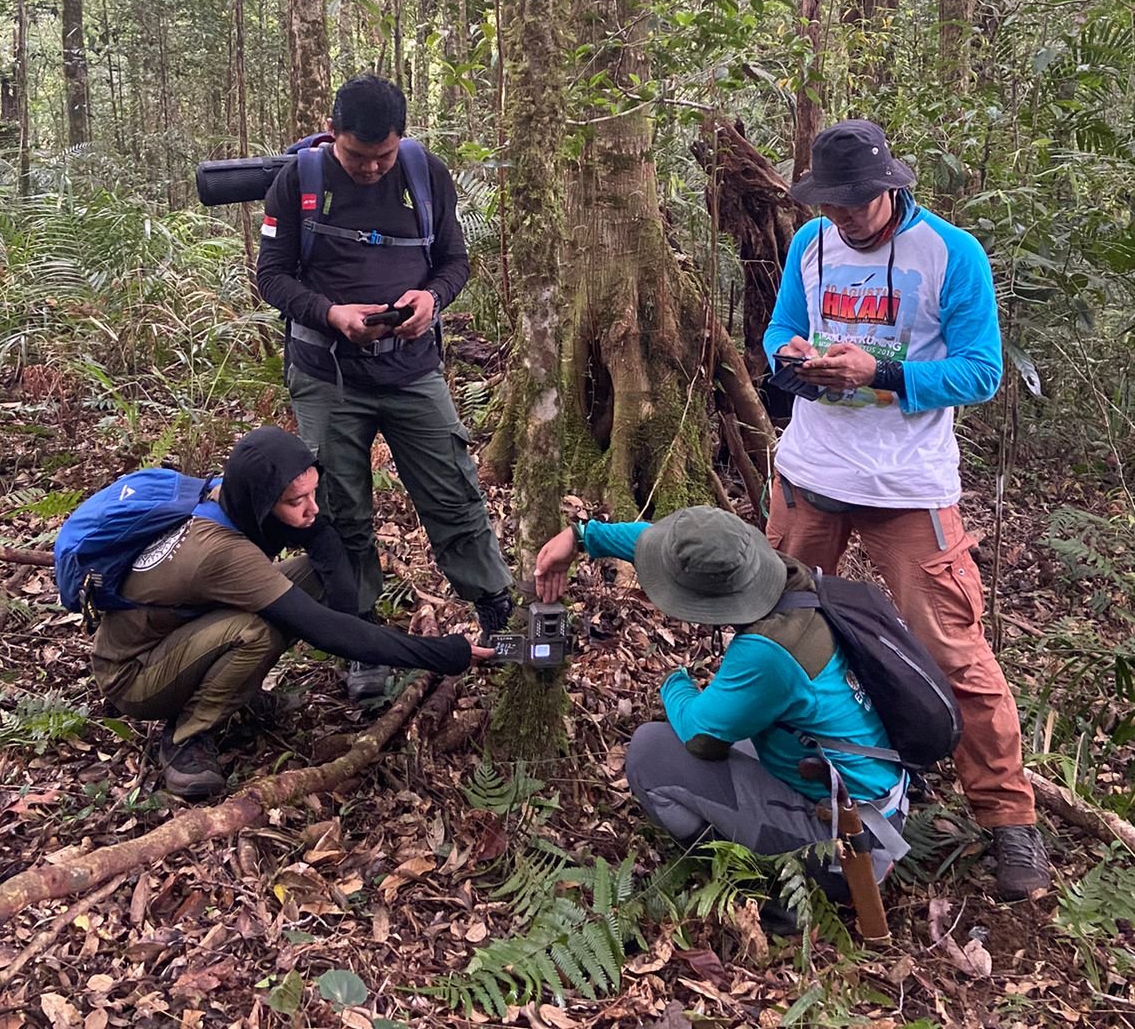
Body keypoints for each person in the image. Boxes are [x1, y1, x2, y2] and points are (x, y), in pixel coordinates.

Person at [764, 118, 1049, 900]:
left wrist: (881, 370)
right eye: (832, 203)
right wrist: (787, 357)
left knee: (954, 649)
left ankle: (1008, 819)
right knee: (776, 625)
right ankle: (795, 774)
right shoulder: (810, 245)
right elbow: (782, 326)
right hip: (812, 471)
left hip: (907, 486)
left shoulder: (952, 254)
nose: (845, 216)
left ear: (891, 186)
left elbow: (981, 371)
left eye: (857, 201)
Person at [256, 74, 513, 701]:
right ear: (332, 135)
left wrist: (433, 297)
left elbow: (455, 261)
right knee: (340, 507)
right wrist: (331, 315)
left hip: (413, 371)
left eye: (384, 155)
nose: (371, 167)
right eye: (356, 155)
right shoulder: (298, 182)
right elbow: (272, 277)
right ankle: (362, 638)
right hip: (328, 376)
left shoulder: (426, 174)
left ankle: (499, 613)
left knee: (452, 488)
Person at [91, 427, 492, 800]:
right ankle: (185, 737)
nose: (311, 509)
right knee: (255, 631)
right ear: (263, 499)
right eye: (295, 501)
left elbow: (324, 541)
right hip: (134, 676)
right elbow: (323, 630)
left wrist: (351, 619)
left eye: (312, 493)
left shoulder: (228, 498)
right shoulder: (222, 552)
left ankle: (235, 694)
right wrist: (445, 654)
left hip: (178, 636)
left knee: (311, 575)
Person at [533, 507, 909, 890]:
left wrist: (674, 684)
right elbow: (665, 549)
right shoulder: (787, 579)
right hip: (870, 794)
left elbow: (700, 738)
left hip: (848, 839)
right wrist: (582, 537)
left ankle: (760, 888)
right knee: (731, 729)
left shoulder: (769, 653)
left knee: (651, 751)